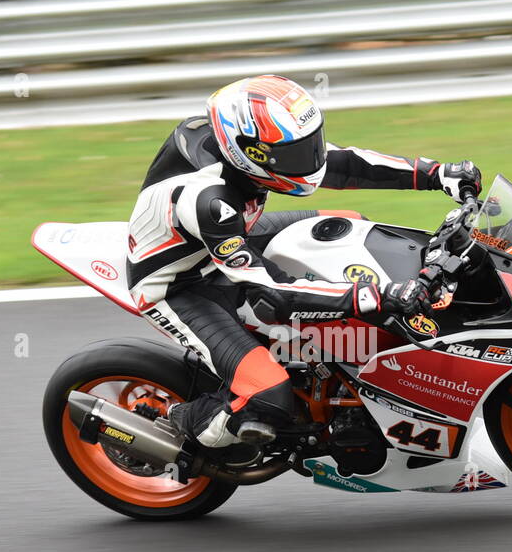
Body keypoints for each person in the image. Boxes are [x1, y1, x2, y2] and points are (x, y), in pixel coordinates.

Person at [127, 74, 481, 448]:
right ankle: (177, 423)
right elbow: (270, 290)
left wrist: (435, 174)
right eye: (297, 153)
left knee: (348, 223)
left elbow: (344, 164)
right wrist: (377, 296)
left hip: (229, 238)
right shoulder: (209, 199)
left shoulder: (250, 153)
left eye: (309, 145)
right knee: (267, 395)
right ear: (250, 152)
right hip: (182, 284)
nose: (311, 160)